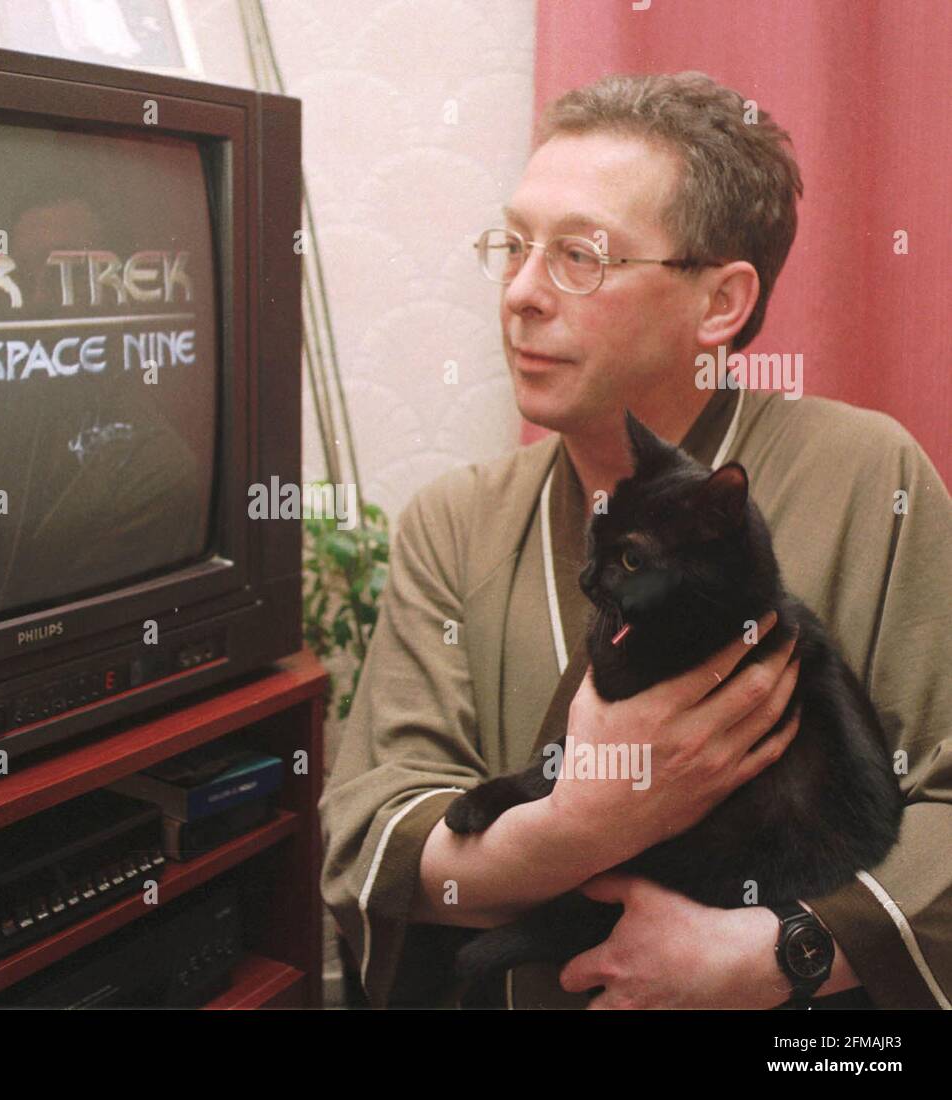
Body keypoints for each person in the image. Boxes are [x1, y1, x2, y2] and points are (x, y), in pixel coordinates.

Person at [317, 71, 952, 1010]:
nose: (523, 294)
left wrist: (776, 954)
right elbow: (376, 831)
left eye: (581, 256)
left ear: (721, 304)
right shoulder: (455, 522)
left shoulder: (868, 475)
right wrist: (583, 824)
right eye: (513, 246)